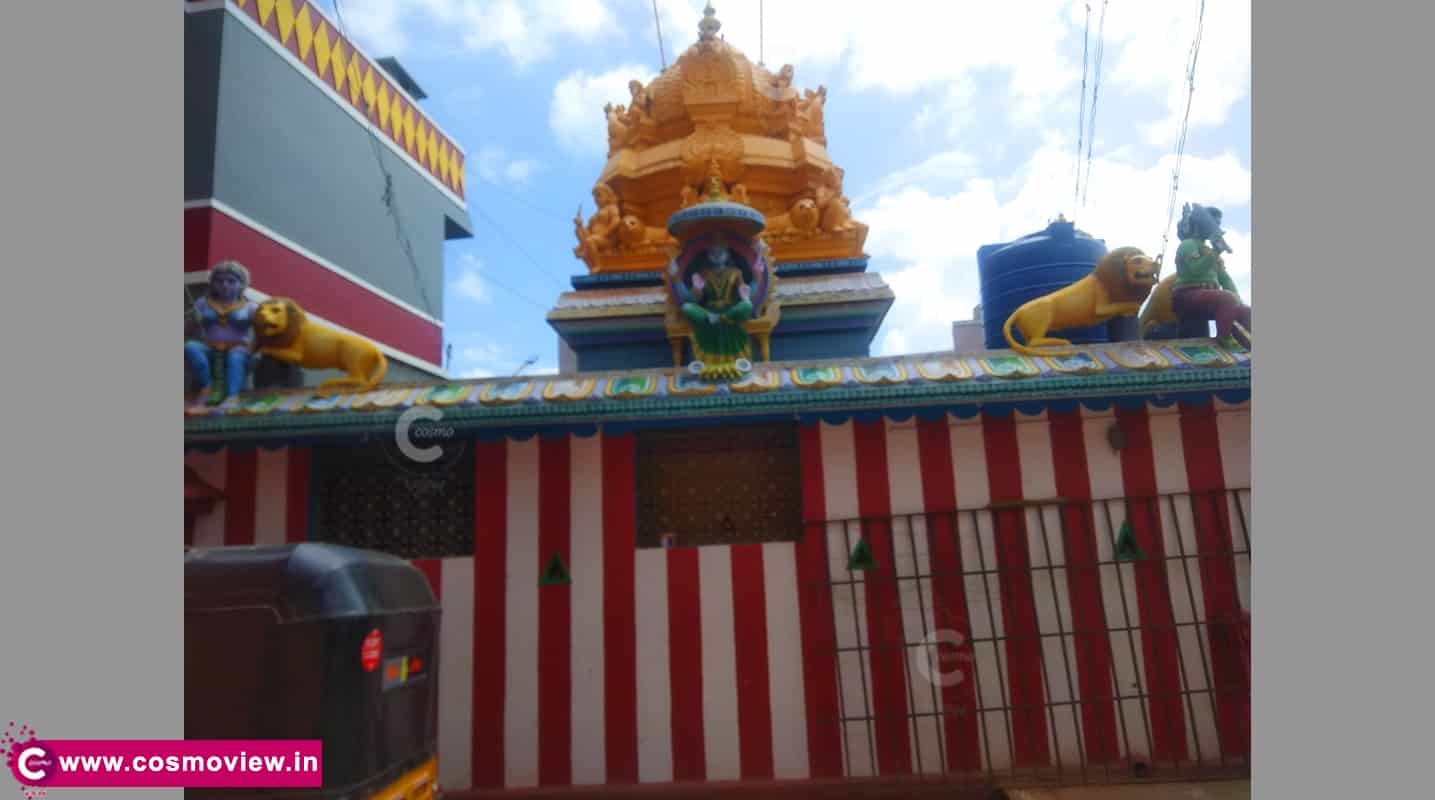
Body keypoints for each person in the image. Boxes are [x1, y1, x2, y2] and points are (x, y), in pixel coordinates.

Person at [185, 260, 258, 407]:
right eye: (220, 281)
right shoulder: (203, 303)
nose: (225, 285)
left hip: (238, 348)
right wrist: (193, 319)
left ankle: (232, 396)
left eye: (231, 281)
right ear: (213, 283)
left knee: (235, 357)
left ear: (241, 284)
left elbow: (261, 333)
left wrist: (254, 350)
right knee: (190, 347)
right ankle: (206, 387)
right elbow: (188, 329)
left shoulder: (250, 307)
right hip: (209, 348)